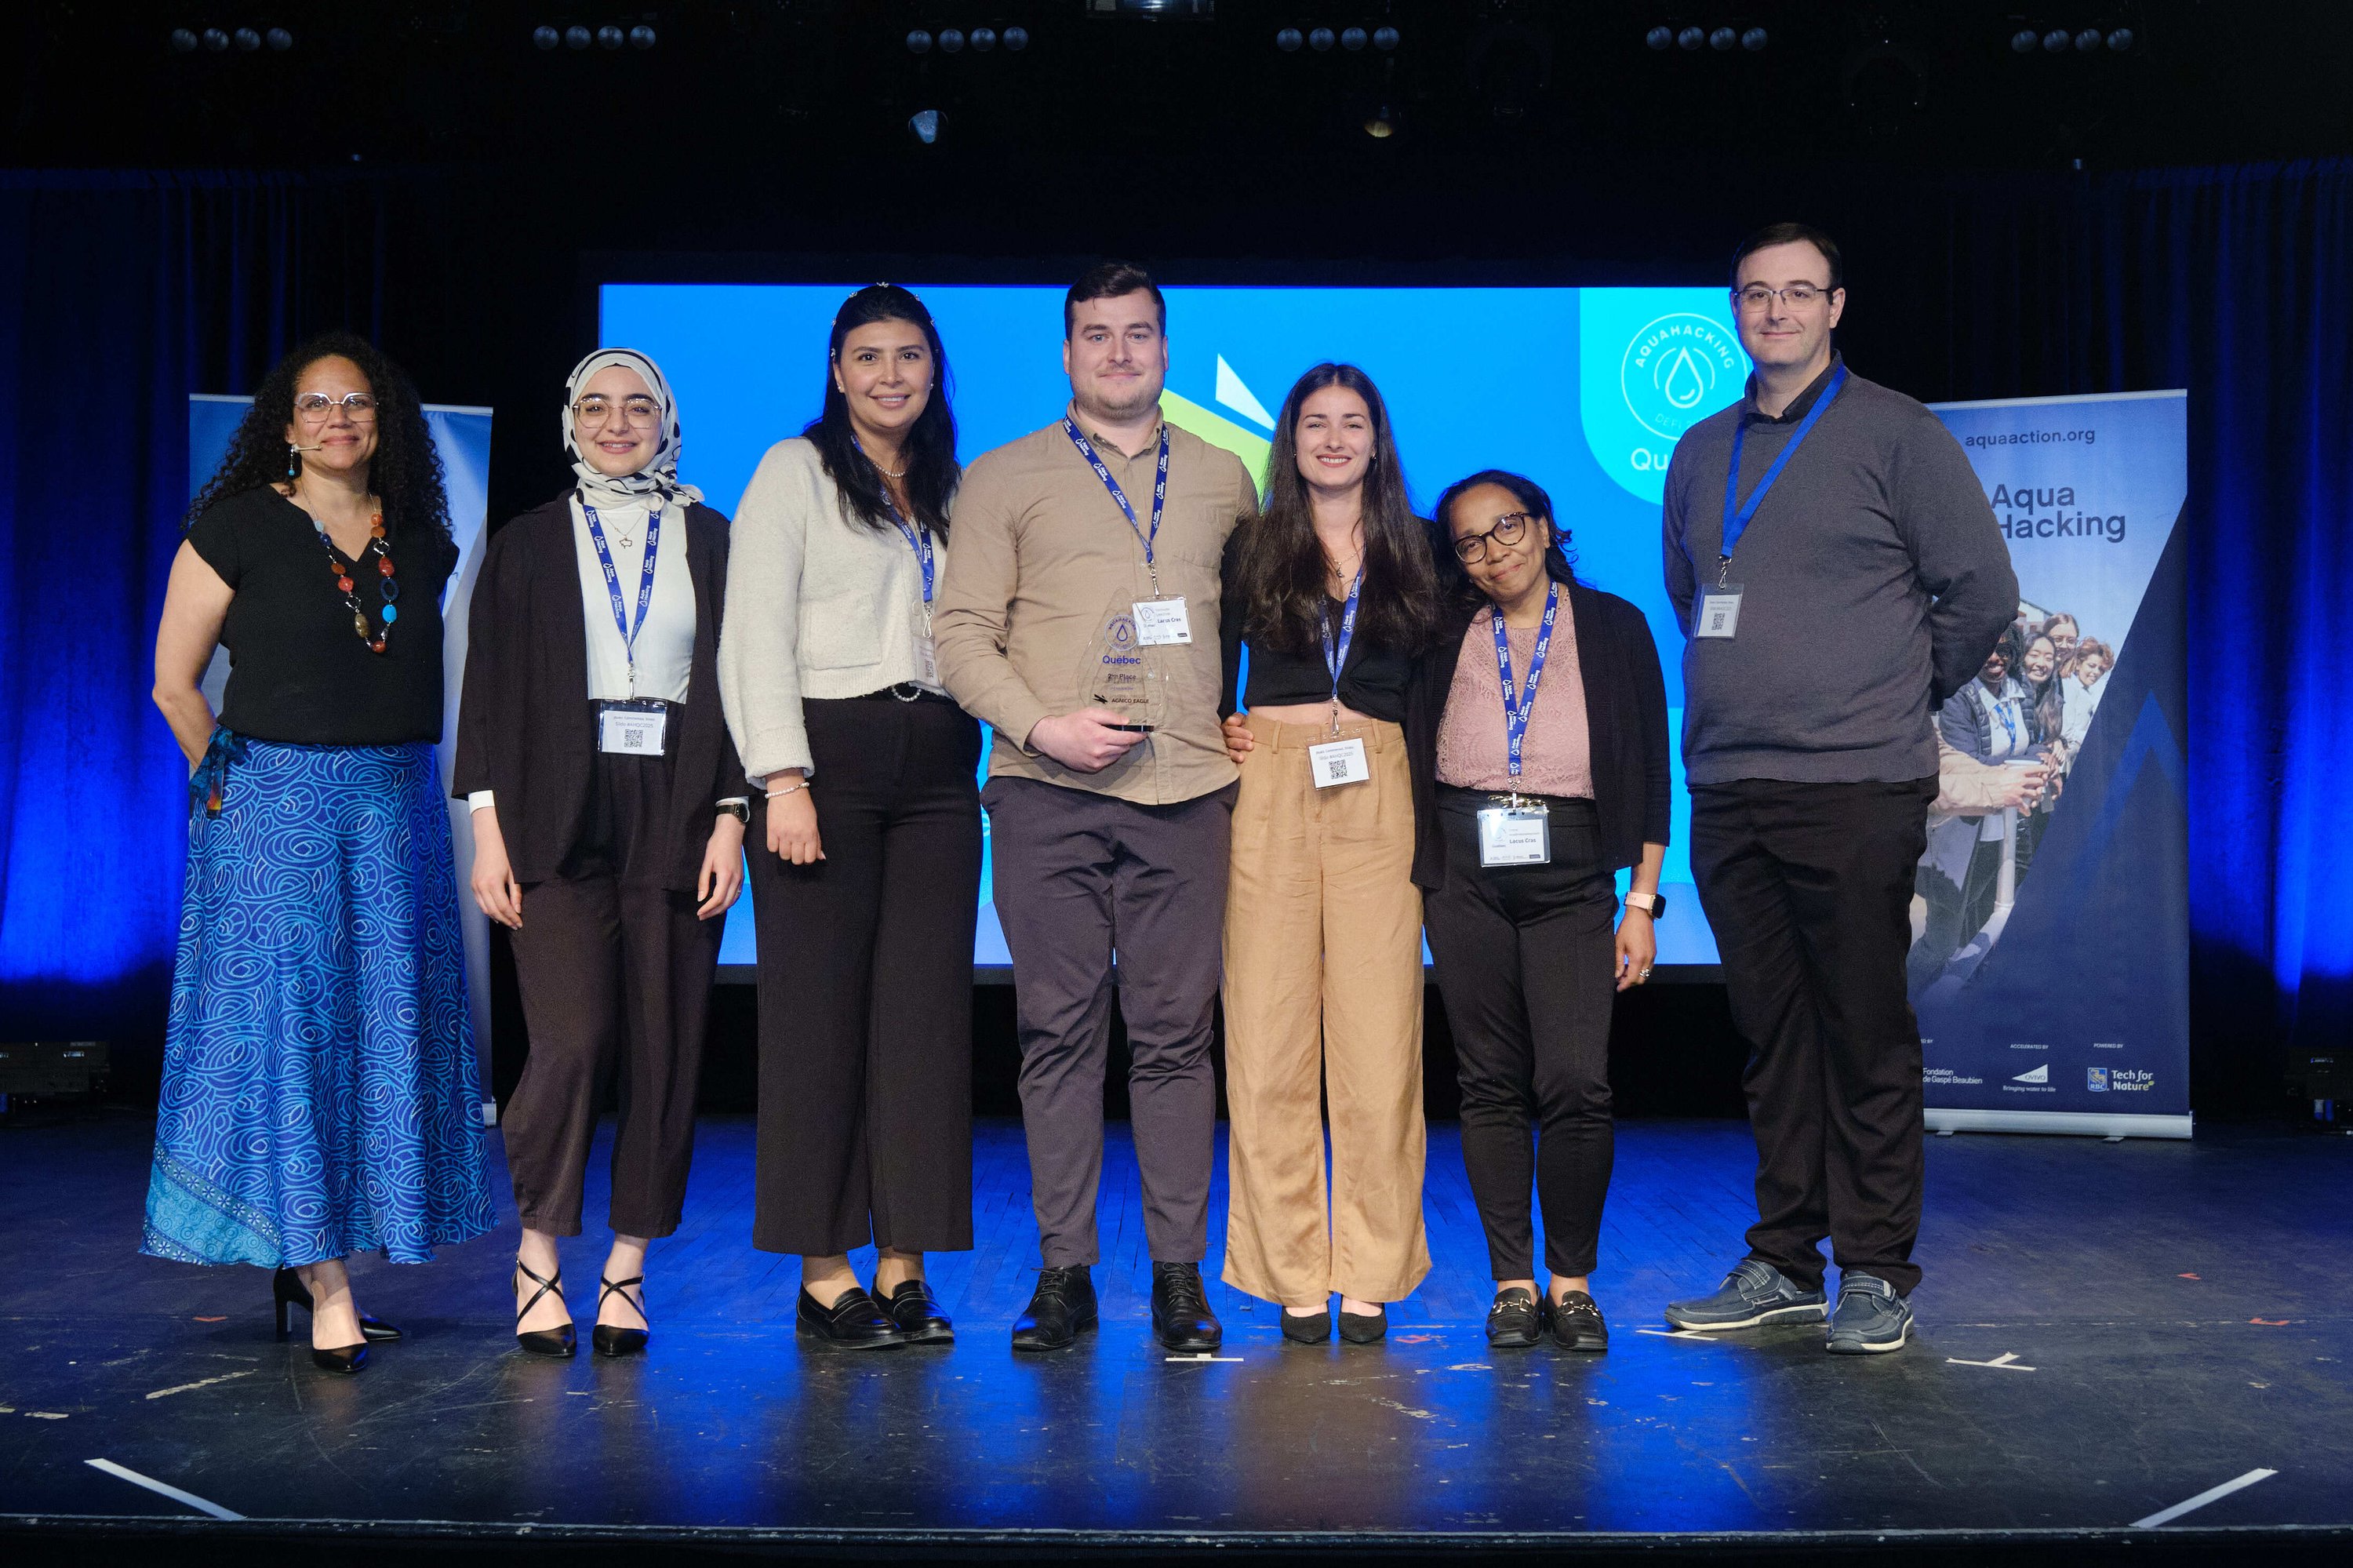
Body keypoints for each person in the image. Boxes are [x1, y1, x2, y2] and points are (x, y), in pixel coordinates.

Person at [1660, 223, 2016, 1355]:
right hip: (1728, 778)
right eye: (1757, 294)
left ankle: (1874, 1268)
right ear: (1734, 308)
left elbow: (1983, 592)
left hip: (1858, 781)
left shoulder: (1895, 432)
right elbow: (1691, 588)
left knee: (1863, 1030)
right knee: (1774, 1037)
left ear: (1837, 306)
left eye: (1798, 293)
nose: (1776, 311)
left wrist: (1895, 692)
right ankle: (1783, 1258)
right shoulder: (1699, 446)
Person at [146, 332, 495, 1374]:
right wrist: (235, 785)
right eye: (316, 403)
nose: (337, 417)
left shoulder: (424, 534)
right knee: (294, 1032)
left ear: (384, 421)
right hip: (273, 810)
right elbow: (175, 682)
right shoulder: (239, 523)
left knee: (382, 1034)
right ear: (286, 424)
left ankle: (328, 1255)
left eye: (358, 403)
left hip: (394, 807)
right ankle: (322, 1272)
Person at [933, 261, 1257, 1354]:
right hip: (1047, 795)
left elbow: (1252, 627)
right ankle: (1065, 1273)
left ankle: (1178, 1279)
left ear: (1164, 349)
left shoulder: (1224, 476)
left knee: (1176, 1039)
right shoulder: (1001, 476)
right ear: (1067, 354)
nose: (1118, 353)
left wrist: (1244, 718)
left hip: (1187, 794)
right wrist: (1041, 727)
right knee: (1058, 1036)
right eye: (1096, 336)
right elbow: (961, 636)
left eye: (1137, 334)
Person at [456, 348, 747, 1359]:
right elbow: (486, 693)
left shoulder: (713, 537)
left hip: (678, 792)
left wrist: (731, 815)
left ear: (666, 420)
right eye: (595, 405)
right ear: (569, 419)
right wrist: (487, 833)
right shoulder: (530, 542)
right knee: (573, 1041)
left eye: (636, 406)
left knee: (665, 1048)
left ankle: (627, 1268)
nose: (615, 422)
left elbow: (741, 683)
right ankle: (538, 1253)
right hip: (553, 800)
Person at [719, 286, 980, 1351]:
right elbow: (751, 632)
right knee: (816, 1022)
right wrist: (782, 777)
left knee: (924, 1022)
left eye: (909, 356)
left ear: (933, 369)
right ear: (836, 369)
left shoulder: (955, 488)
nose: (889, 375)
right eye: (867, 356)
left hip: (939, 770)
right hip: (828, 761)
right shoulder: (794, 469)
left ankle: (904, 1261)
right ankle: (825, 1271)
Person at [1410, 471, 1669, 1354]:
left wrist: (1640, 901)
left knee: (1575, 1081)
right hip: (1463, 866)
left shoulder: (1615, 625)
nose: (1493, 551)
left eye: (1508, 527)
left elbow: (1650, 770)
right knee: (1487, 1081)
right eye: (1471, 542)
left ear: (1548, 526)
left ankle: (1573, 1281)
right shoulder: (1444, 630)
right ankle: (1514, 1284)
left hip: (1571, 870)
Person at [1210, 364, 1441, 1346]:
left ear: (1378, 440)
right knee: (1264, 1038)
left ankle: (1372, 1272)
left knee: (1381, 1042)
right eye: (1316, 422)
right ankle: (1292, 1269)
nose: (1335, 438)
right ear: (1291, 438)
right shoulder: (1252, 542)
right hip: (1268, 773)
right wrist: (1220, 718)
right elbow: (1210, 660)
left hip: (1379, 781)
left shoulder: (1419, 548)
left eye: (1354, 423)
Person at [2059, 636, 2113, 759]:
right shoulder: (2069, 686)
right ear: (2078, 664)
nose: (2096, 672)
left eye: (2101, 669)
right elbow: (2066, 732)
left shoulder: (2084, 690)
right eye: (2092, 666)